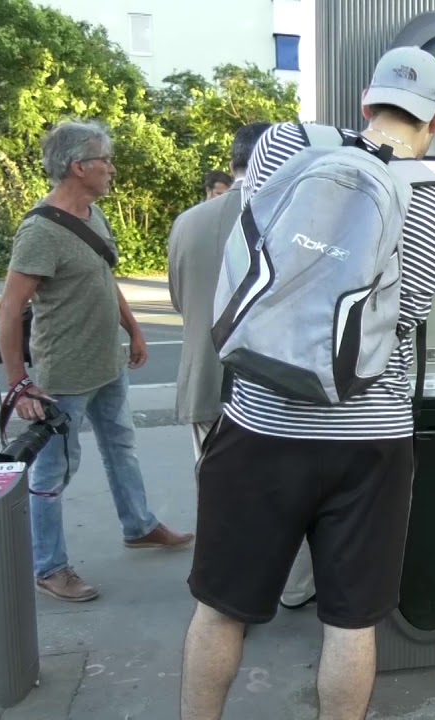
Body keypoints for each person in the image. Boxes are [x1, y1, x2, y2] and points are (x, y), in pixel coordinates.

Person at [179, 46, 435, 720]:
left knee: (221, 610)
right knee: (350, 624)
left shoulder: (282, 146)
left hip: (260, 423)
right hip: (370, 441)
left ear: (366, 102)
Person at [0, 120, 194, 603]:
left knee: (121, 446)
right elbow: (9, 307)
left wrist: (134, 329)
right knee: (53, 472)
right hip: (64, 373)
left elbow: (105, 279)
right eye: (105, 160)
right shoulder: (41, 230)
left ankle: (139, 525)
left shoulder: (92, 214)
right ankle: (49, 567)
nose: (112, 168)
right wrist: (19, 384)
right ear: (78, 167)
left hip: (107, 363)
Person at [167, 121, 316, 612]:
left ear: (233, 162)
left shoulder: (187, 222)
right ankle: (293, 588)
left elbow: (179, 300)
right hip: (271, 386)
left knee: (218, 494)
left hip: (204, 383)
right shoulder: (292, 217)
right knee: (286, 493)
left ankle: (225, 592)